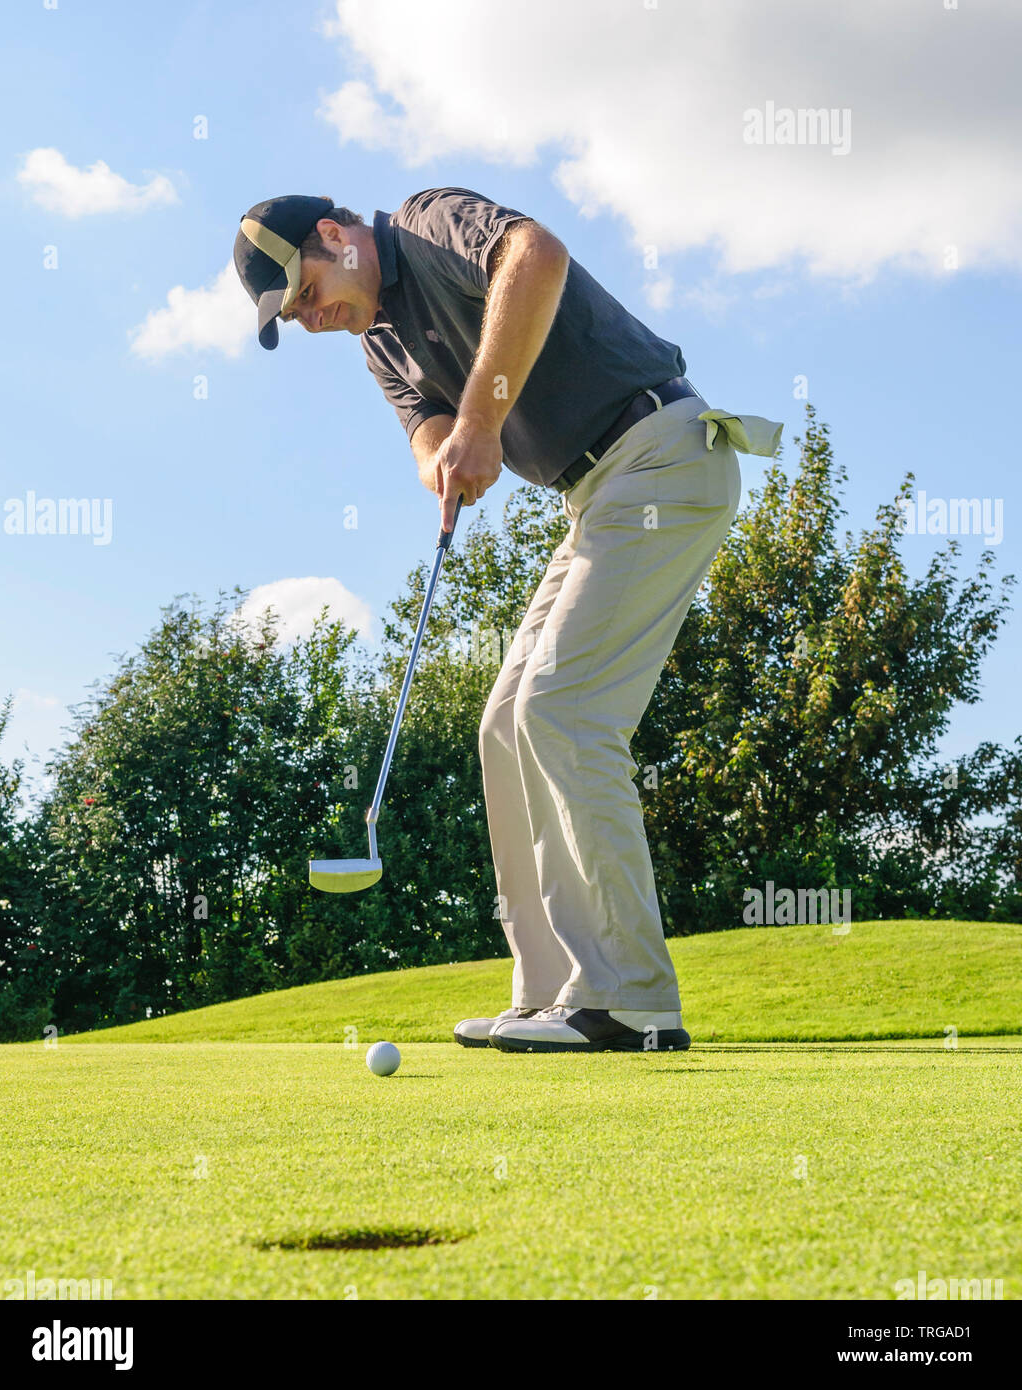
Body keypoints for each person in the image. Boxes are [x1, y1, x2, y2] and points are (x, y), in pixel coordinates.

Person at [233, 186, 782, 1054]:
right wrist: (445, 458)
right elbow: (427, 431)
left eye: (303, 293)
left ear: (333, 237)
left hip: (661, 455)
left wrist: (483, 421)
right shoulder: (380, 345)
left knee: (561, 710)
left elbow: (538, 257)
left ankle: (630, 997)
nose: (308, 317)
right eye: (292, 315)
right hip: (595, 496)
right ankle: (550, 991)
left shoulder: (424, 222)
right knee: (503, 725)